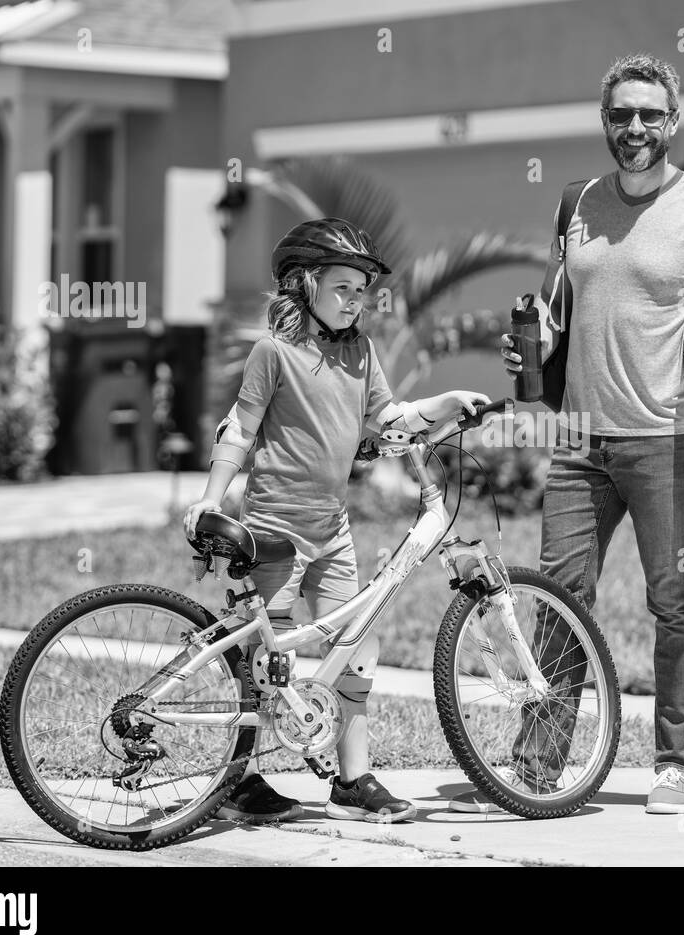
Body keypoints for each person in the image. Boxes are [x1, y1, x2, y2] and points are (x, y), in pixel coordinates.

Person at [453, 52, 684, 815]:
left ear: (673, 122)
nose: (636, 128)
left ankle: (676, 766)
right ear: (605, 122)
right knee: (558, 596)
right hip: (581, 439)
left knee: (674, 598)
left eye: (651, 114)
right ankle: (542, 765)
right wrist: (535, 348)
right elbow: (567, 309)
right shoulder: (579, 202)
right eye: (622, 115)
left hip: (666, 438)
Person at [184, 218, 488, 824]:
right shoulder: (275, 353)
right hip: (275, 529)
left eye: (363, 290)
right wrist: (212, 499)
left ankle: (353, 781)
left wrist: (446, 403)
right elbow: (240, 428)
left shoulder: (360, 354)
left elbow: (389, 419)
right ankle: (238, 781)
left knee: (355, 650)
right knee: (264, 662)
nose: (357, 300)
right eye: (344, 287)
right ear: (306, 285)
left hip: (332, 530)